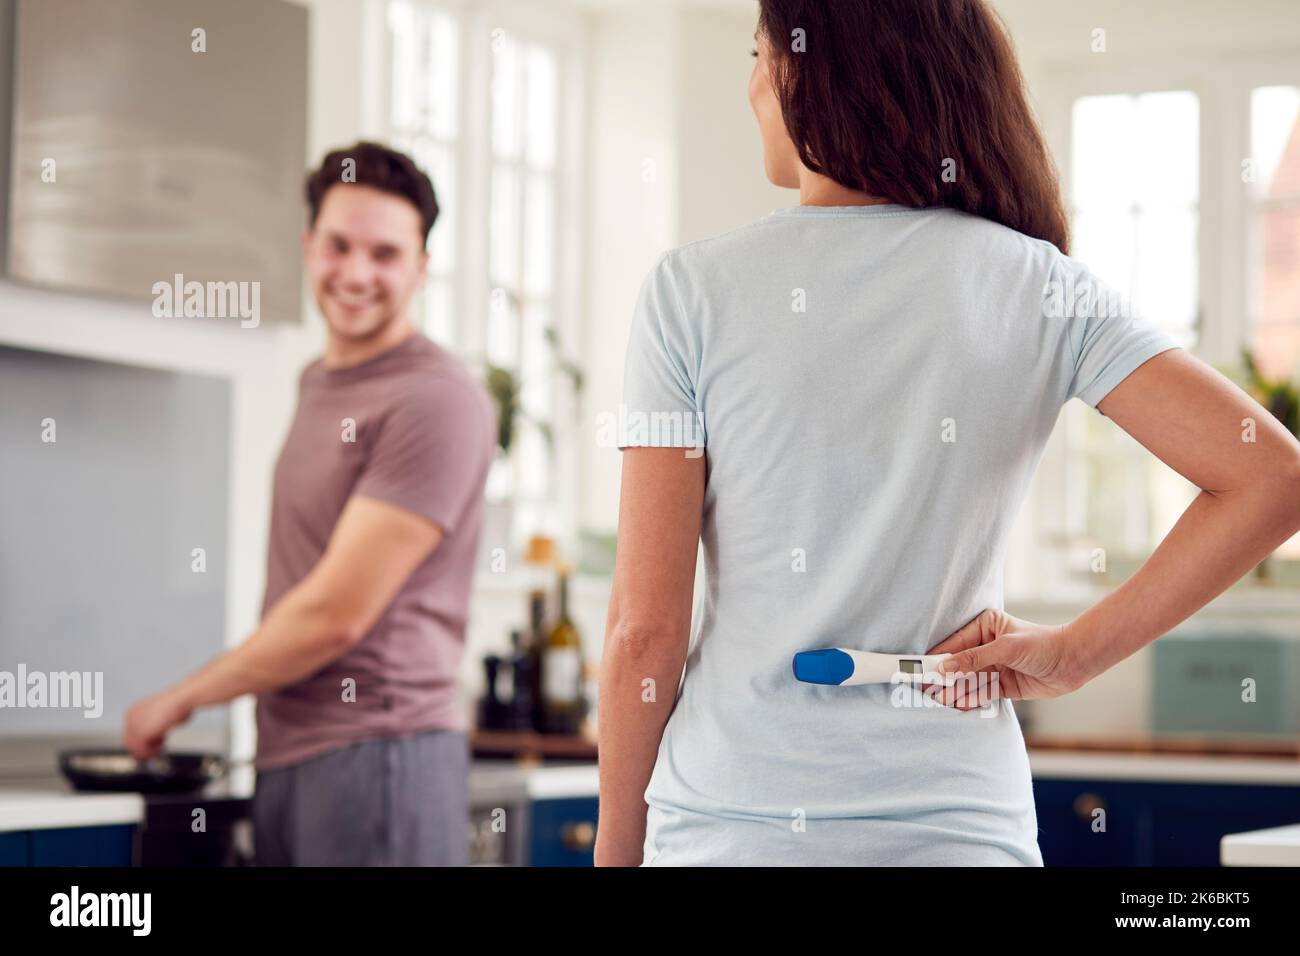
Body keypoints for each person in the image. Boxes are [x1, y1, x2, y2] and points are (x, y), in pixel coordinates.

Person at [594, 0, 1300, 866]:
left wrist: (617, 854)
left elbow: (643, 632)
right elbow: (1274, 477)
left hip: (733, 826)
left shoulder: (690, 293)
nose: (750, 87)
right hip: (962, 832)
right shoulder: (1039, 283)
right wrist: (1075, 656)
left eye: (758, 54)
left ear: (809, 70)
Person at [124, 142, 497, 866]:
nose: (357, 274)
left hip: (381, 754)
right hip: (294, 753)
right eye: (339, 246)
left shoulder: (436, 399)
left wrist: (182, 698)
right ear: (308, 247)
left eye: (386, 254)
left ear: (421, 266)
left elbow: (335, 614)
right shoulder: (316, 382)